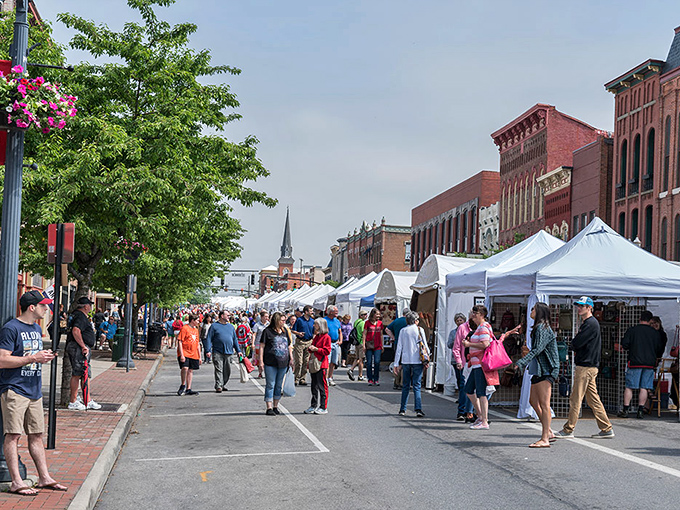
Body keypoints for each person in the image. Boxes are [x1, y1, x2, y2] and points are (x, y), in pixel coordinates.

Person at [0, 290, 68, 496]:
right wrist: (32, 359)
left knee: (37, 434)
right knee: (13, 434)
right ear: (32, 307)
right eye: (43, 305)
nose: (46, 309)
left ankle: (44, 477)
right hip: (15, 389)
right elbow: (2, 360)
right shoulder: (11, 328)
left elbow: (33, 356)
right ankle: (16, 481)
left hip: (34, 390)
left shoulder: (37, 330)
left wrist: (43, 357)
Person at [555, 296, 614, 438]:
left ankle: (569, 429)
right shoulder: (591, 323)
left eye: (582, 306)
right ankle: (606, 428)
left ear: (590, 308)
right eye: (579, 305)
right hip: (590, 367)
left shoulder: (590, 324)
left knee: (576, 398)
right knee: (593, 399)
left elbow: (577, 343)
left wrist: (572, 344)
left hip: (585, 367)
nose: (579, 308)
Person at [514, 302, 559, 448]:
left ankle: (545, 437)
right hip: (539, 369)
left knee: (545, 404)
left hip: (546, 369)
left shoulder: (543, 328)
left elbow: (537, 350)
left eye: (533, 309)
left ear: (539, 312)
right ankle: (549, 431)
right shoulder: (539, 328)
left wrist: (521, 362)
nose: (531, 311)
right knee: (533, 401)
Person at [618, 310, 664, 419]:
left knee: (630, 387)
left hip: (634, 362)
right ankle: (640, 410)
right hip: (649, 364)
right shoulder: (655, 333)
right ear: (650, 320)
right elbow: (659, 348)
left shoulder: (632, 330)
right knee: (644, 387)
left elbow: (625, 344)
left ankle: (625, 410)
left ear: (640, 319)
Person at [65, 296, 102, 411]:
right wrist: (82, 346)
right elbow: (76, 330)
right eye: (90, 305)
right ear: (86, 307)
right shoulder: (80, 316)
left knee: (84, 373)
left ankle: (87, 399)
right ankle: (73, 401)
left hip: (79, 347)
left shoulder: (77, 315)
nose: (90, 307)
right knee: (78, 373)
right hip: (78, 348)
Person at [393, 311, 429, 417]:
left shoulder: (403, 331)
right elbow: (425, 346)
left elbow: (399, 347)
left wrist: (396, 363)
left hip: (405, 360)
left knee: (406, 385)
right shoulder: (419, 330)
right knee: (417, 385)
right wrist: (427, 359)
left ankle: (402, 409)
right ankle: (418, 409)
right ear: (416, 320)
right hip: (417, 360)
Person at [463, 305, 492, 430]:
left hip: (480, 364)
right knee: (469, 389)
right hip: (476, 365)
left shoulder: (484, 327)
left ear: (481, 314)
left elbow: (485, 344)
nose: (472, 315)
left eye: (475, 313)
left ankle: (484, 420)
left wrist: (469, 344)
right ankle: (480, 416)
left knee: (481, 393)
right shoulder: (481, 327)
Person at [259, 311, 294, 415]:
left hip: (283, 362)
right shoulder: (267, 331)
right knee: (270, 384)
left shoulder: (285, 331)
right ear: (276, 320)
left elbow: (288, 345)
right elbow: (262, 346)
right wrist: (261, 361)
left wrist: (291, 358)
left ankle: (275, 406)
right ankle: (269, 407)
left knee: (279, 385)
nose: (284, 322)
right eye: (282, 320)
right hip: (270, 362)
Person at [206, 309, 240, 392]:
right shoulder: (214, 326)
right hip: (217, 352)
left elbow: (235, 339)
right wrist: (208, 350)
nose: (229, 317)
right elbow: (209, 338)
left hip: (229, 352)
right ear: (222, 316)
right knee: (219, 369)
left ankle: (222, 383)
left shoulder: (231, 327)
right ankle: (218, 385)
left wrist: (238, 351)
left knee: (227, 371)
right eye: (227, 315)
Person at [305, 318, 332, 414]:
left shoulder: (326, 337)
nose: (313, 326)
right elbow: (312, 347)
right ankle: (313, 405)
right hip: (314, 363)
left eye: (315, 324)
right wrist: (311, 348)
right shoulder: (317, 336)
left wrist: (316, 349)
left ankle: (323, 406)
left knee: (322, 386)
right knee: (314, 385)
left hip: (321, 364)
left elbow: (327, 351)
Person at [450, 312, 473, 421]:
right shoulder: (461, 329)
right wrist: (459, 361)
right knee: (463, 386)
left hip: (478, 363)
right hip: (464, 363)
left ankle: (474, 412)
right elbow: (455, 346)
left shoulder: (482, 327)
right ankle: (462, 411)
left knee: (477, 389)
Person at [177, 314, 201, 396]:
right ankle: (183, 384)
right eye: (197, 320)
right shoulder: (185, 328)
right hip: (185, 352)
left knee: (191, 370)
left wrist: (199, 356)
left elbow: (198, 344)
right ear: (192, 320)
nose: (198, 322)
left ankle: (189, 388)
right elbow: (180, 341)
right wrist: (182, 354)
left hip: (193, 353)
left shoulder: (196, 330)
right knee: (185, 368)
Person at [386, 308, 409, 390]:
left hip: (396, 344)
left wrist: (393, 337)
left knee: (397, 363)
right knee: (403, 364)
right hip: (406, 345)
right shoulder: (408, 322)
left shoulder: (397, 321)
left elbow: (387, 329)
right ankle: (402, 383)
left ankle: (396, 382)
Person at [292, 305, 315, 385]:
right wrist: (298, 333)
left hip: (309, 342)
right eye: (310, 311)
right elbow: (293, 330)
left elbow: (314, 332)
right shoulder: (299, 320)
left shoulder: (312, 321)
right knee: (299, 361)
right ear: (306, 312)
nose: (312, 312)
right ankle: (296, 378)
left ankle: (302, 378)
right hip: (300, 342)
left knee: (306, 361)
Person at [363, 308, 384, 386]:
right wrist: (363, 344)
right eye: (377, 314)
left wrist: (382, 345)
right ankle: (370, 379)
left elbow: (381, 334)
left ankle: (376, 379)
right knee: (368, 363)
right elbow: (364, 334)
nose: (378, 316)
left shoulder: (380, 323)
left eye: (379, 314)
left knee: (377, 362)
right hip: (369, 345)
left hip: (377, 345)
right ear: (373, 314)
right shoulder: (367, 323)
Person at [324, 305, 343, 386]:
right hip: (328, 343)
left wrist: (341, 340)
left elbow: (340, 331)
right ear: (330, 312)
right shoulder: (324, 320)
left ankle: (330, 377)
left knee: (333, 362)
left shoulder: (337, 321)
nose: (337, 312)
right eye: (335, 311)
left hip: (336, 343)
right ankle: (325, 379)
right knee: (327, 362)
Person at [347, 310, 367, 381]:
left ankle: (351, 369)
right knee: (361, 359)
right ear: (361, 316)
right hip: (361, 342)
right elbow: (363, 333)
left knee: (357, 358)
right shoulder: (362, 323)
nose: (366, 316)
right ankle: (360, 375)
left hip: (357, 342)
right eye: (364, 314)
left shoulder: (356, 322)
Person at [252, 310, 269, 378]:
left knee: (267, 358)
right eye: (265, 316)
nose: (267, 318)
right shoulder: (257, 325)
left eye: (268, 316)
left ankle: (266, 372)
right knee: (259, 359)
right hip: (258, 344)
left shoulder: (269, 324)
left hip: (267, 344)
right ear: (261, 317)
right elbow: (254, 335)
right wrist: (253, 343)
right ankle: (260, 372)